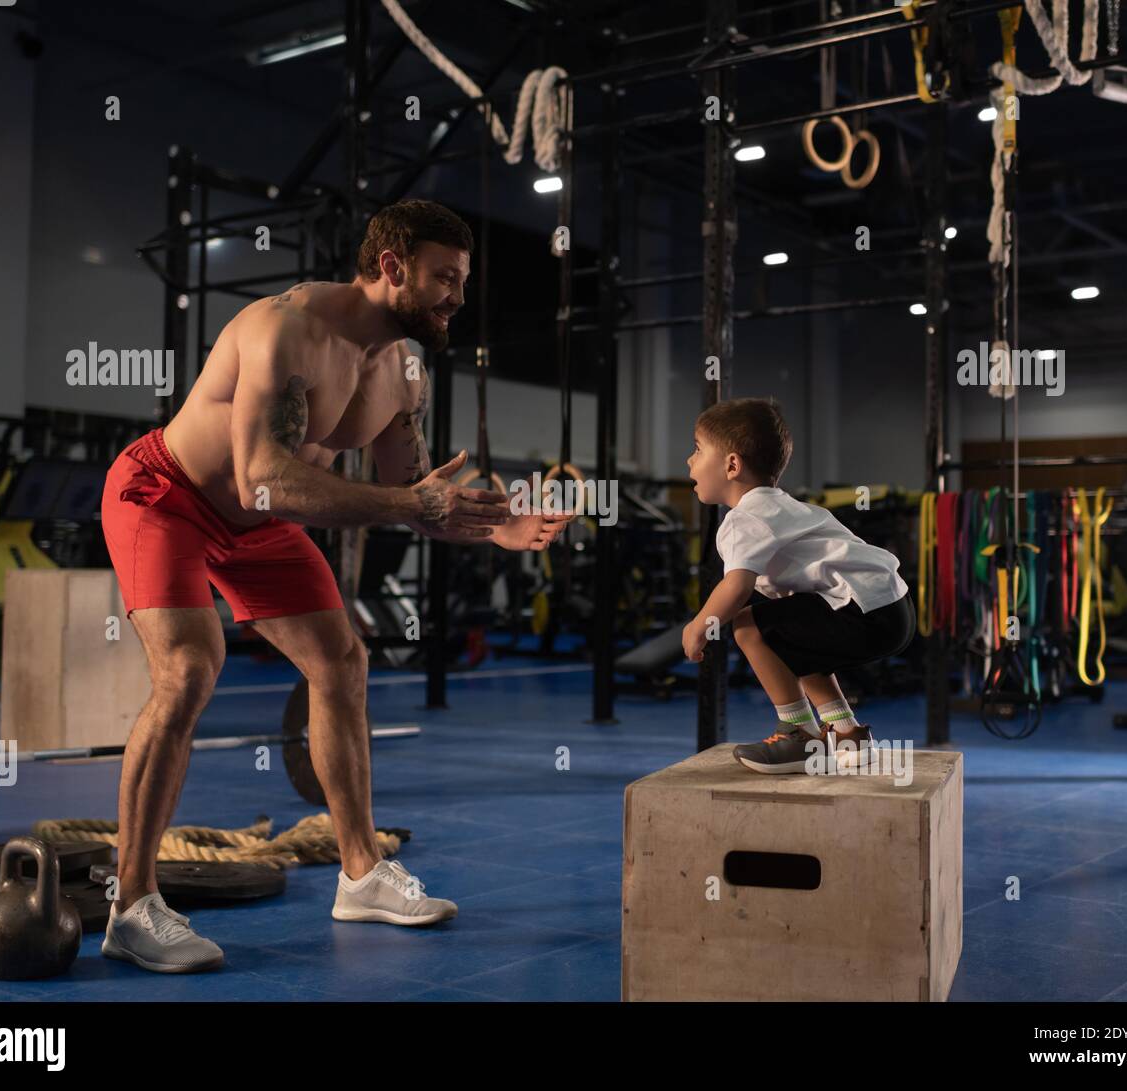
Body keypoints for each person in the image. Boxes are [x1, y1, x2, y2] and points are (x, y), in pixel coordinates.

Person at [99, 199, 570, 972]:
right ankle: (132, 903)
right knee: (189, 669)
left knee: (341, 661)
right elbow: (261, 478)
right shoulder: (285, 328)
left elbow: (413, 489)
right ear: (391, 267)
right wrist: (418, 504)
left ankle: (360, 875)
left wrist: (498, 524)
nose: (457, 295)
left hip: (261, 517)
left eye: (462, 279)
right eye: (443, 278)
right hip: (168, 494)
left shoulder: (404, 370)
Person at [681, 397, 915, 774]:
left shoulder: (746, 519)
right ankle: (847, 733)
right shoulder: (784, 507)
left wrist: (699, 625)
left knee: (747, 625)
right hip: (889, 609)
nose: (690, 461)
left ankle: (799, 734)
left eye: (697, 450)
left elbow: (736, 586)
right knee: (791, 639)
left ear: (732, 465)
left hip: (863, 609)